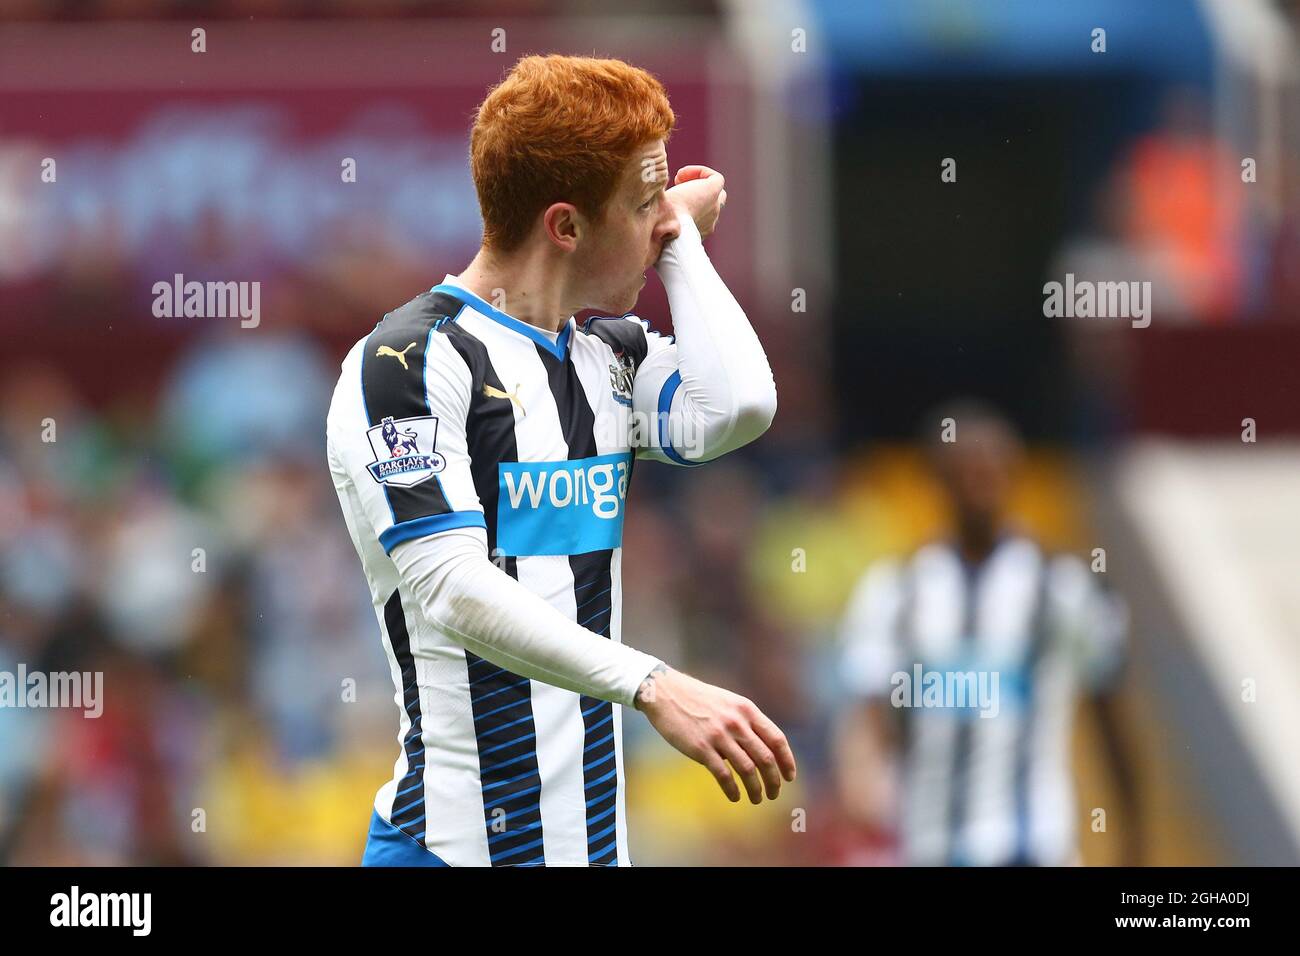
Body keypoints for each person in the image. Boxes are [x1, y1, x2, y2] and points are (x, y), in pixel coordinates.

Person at [326, 54, 795, 867]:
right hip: (449, 850)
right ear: (566, 227)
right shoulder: (407, 361)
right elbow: (451, 590)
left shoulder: (608, 351)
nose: (661, 221)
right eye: (644, 206)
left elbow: (739, 407)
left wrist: (679, 243)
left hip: (591, 851)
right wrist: (653, 683)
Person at [834, 401, 1141, 866]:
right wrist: (864, 774)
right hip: (930, 846)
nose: (979, 486)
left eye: (990, 471)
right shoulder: (894, 591)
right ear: (938, 481)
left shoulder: (1062, 586)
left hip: (1032, 847)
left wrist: (1133, 840)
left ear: (1013, 475)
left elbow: (1111, 714)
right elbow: (869, 713)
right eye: (964, 472)